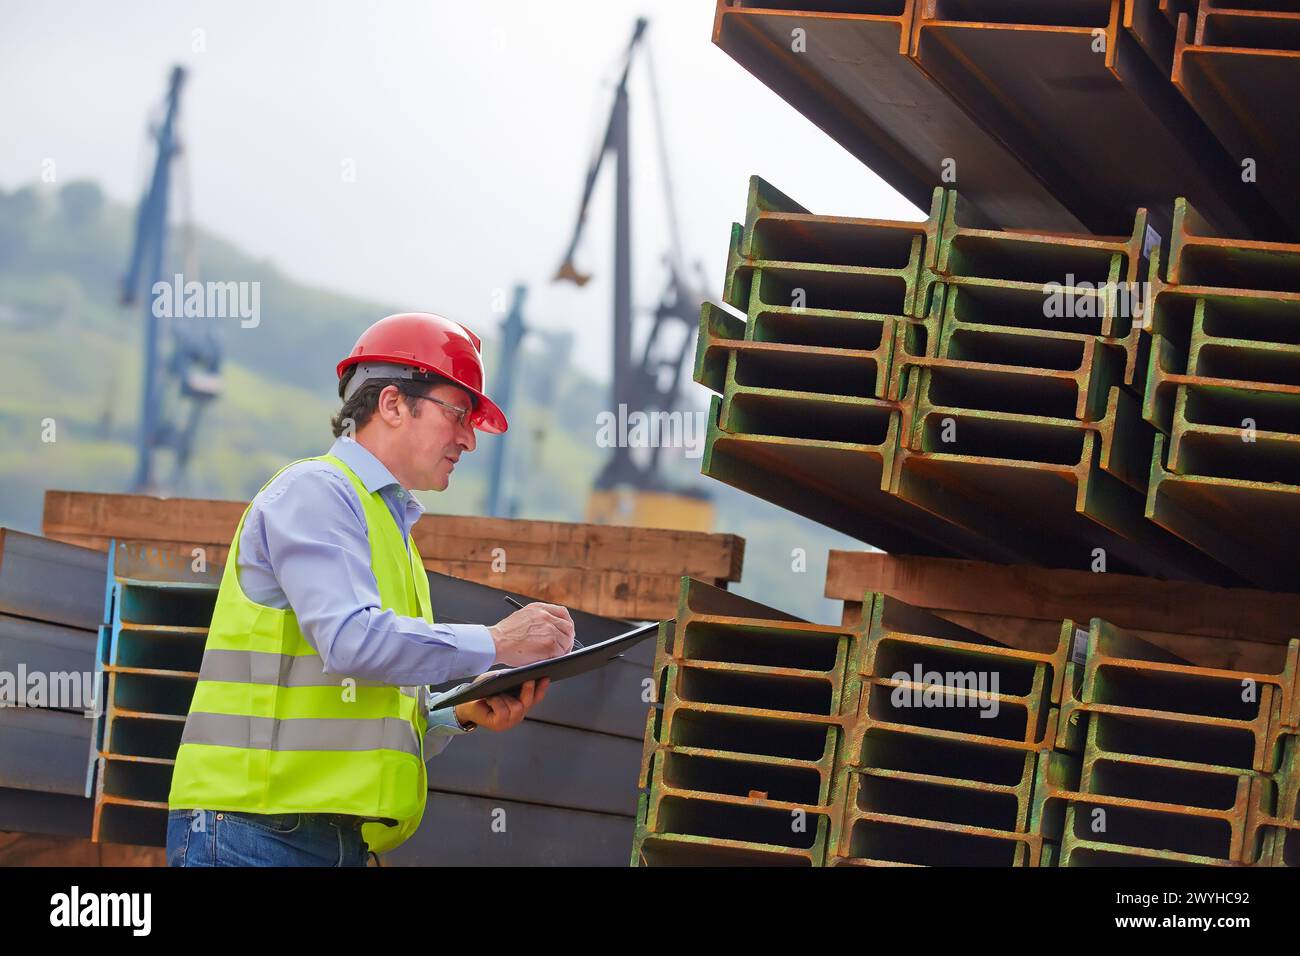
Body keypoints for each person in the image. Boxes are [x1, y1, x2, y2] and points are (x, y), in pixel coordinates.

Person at [165, 312, 575, 866]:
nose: (469, 439)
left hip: (322, 840)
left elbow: (373, 717)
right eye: (459, 413)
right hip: (253, 831)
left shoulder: (389, 532)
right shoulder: (316, 493)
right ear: (391, 404)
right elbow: (352, 643)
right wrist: (499, 641)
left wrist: (459, 711)